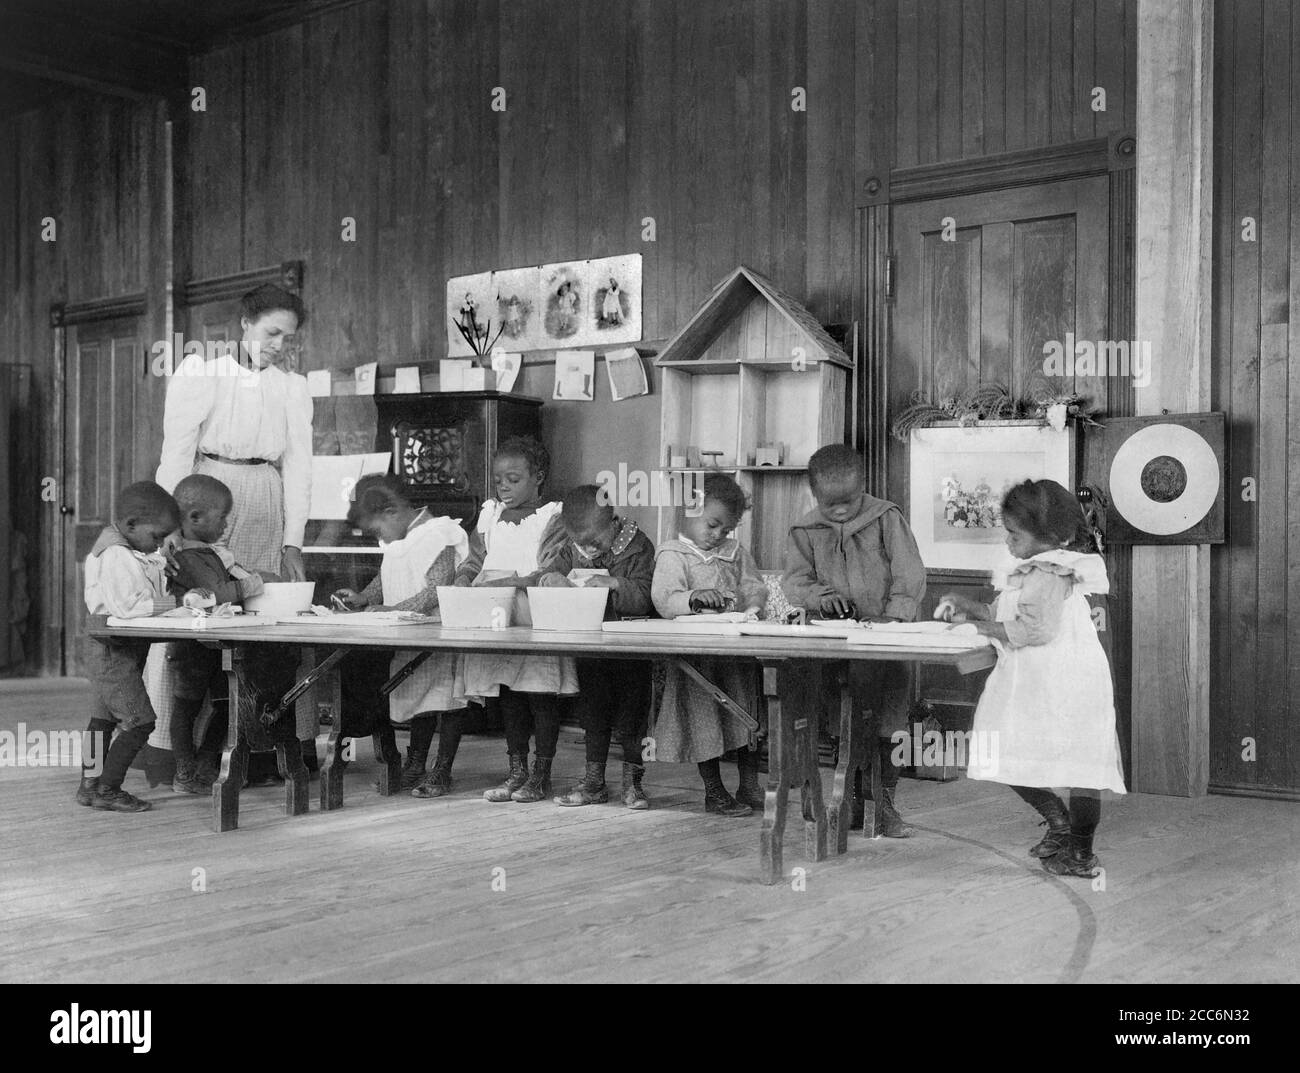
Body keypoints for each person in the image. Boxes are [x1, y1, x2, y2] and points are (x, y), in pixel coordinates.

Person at [938, 479, 1125, 878]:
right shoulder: (1032, 567)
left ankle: (1078, 850)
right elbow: (1007, 608)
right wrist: (971, 606)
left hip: (1055, 678)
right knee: (1045, 757)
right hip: (1043, 677)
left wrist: (980, 626)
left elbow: (1031, 630)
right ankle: (1065, 832)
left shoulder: (1049, 572)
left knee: (1056, 760)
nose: (1007, 542)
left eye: (1013, 534)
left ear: (1050, 538)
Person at [782, 444, 926, 838]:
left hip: (888, 641)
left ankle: (885, 804)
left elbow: (909, 572)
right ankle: (851, 804)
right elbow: (795, 581)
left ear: (863, 486)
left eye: (849, 501)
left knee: (888, 723)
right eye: (831, 505)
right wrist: (820, 598)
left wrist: (895, 616)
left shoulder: (886, 519)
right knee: (844, 722)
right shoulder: (805, 531)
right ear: (815, 496)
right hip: (837, 647)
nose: (841, 511)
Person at [156, 283, 313, 581]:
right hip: (207, 495)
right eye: (272, 333)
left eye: (288, 337)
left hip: (264, 499)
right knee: (206, 590)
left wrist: (293, 543)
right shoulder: (204, 374)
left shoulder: (292, 388)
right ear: (245, 323)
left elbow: (299, 468)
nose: (279, 345)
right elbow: (176, 455)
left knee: (255, 591)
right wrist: (170, 524)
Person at [332, 474, 470, 798]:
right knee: (421, 697)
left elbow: (438, 588)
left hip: (440, 630)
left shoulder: (438, 534)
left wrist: (392, 609)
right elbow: (388, 572)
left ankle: (443, 769)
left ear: (392, 512)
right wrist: (365, 597)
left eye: (377, 529)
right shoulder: (398, 538)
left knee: (448, 700)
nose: (379, 536)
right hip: (409, 631)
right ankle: (416, 764)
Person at [455, 437, 572, 803]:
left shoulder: (553, 518)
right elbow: (475, 560)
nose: (503, 486)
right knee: (508, 694)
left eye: (514, 478)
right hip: (497, 618)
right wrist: (463, 578)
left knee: (539, 695)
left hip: (534, 617)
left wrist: (510, 581)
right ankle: (516, 771)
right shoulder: (490, 516)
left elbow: (555, 568)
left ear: (538, 477)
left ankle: (542, 774)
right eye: (499, 479)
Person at [651, 473, 767, 817]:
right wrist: (694, 598)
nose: (717, 536)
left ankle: (749, 786)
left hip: (735, 654)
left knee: (748, 717)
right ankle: (713, 791)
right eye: (712, 525)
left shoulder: (736, 553)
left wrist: (752, 607)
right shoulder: (673, 554)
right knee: (704, 721)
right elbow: (664, 599)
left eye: (726, 531)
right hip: (697, 659)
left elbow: (754, 586)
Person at [538, 484, 656, 809]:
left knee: (633, 718)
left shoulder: (638, 546)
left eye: (595, 539)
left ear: (614, 522)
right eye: (581, 542)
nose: (589, 547)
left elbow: (648, 594)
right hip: (591, 648)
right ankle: (593, 782)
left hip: (631, 648)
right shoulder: (572, 549)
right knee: (593, 715)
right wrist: (553, 580)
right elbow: (549, 574)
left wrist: (616, 584)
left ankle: (633, 783)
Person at [79, 481, 180, 813]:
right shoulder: (117, 555)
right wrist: (173, 603)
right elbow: (127, 606)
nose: (157, 545)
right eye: (156, 537)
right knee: (140, 721)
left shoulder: (125, 550)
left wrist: (159, 561)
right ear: (132, 524)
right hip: (113, 650)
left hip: (109, 647)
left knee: (102, 719)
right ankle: (108, 788)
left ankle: (90, 785)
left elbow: (138, 582)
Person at [163, 474, 267, 794]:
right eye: (222, 517)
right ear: (195, 518)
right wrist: (246, 586)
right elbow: (216, 593)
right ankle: (184, 771)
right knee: (186, 707)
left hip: (216, 647)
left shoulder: (208, 553)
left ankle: (206, 762)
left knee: (226, 705)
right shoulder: (186, 558)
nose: (225, 525)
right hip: (191, 648)